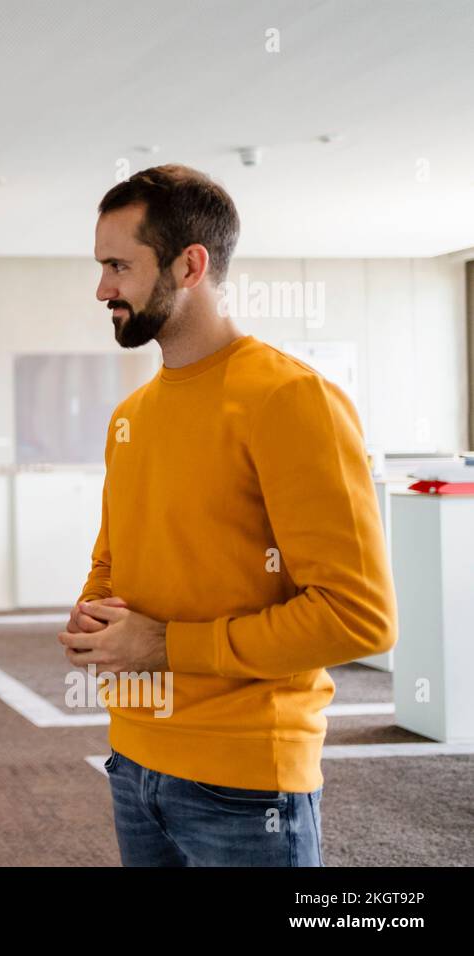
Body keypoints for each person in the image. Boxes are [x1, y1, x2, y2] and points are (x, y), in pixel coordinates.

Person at [62, 164, 397, 866]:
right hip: (132, 760)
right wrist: (95, 614)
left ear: (190, 265)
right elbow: (113, 563)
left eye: (119, 266)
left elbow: (356, 616)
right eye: (100, 266)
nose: (103, 289)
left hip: (245, 790)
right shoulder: (132, 416)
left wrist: (166, 646)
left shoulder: (290, 400)